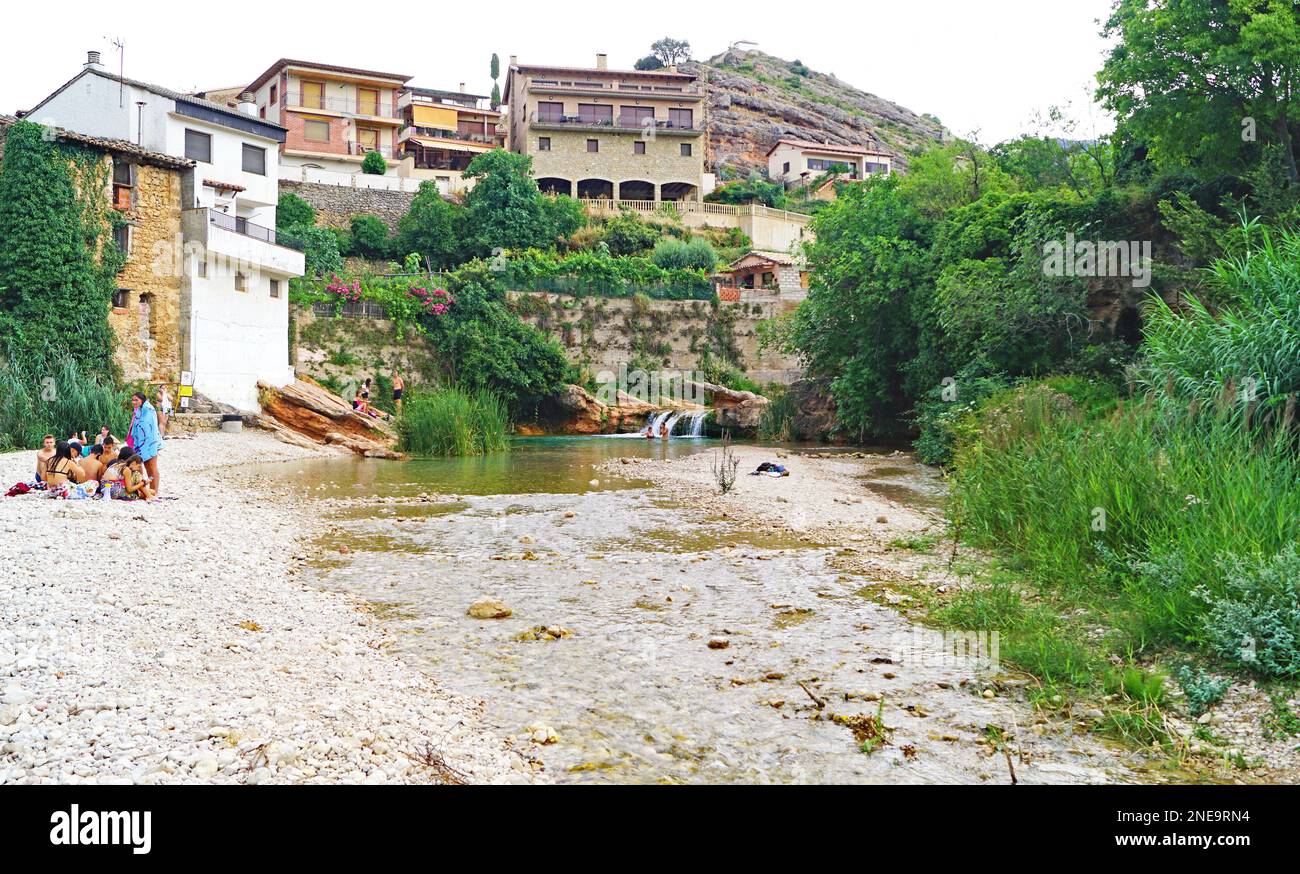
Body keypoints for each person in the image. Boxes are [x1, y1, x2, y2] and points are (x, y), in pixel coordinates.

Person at [128, 391, 164, 497]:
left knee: (152, 467)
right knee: (140, 466)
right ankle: (144, 490)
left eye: (136, 400)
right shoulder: (138, 410)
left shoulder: (148, 409)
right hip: (140, 443)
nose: (134, 402)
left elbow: (149, 427)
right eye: (133, 400)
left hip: (150, 443)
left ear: (142, 400)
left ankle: (154, 491)